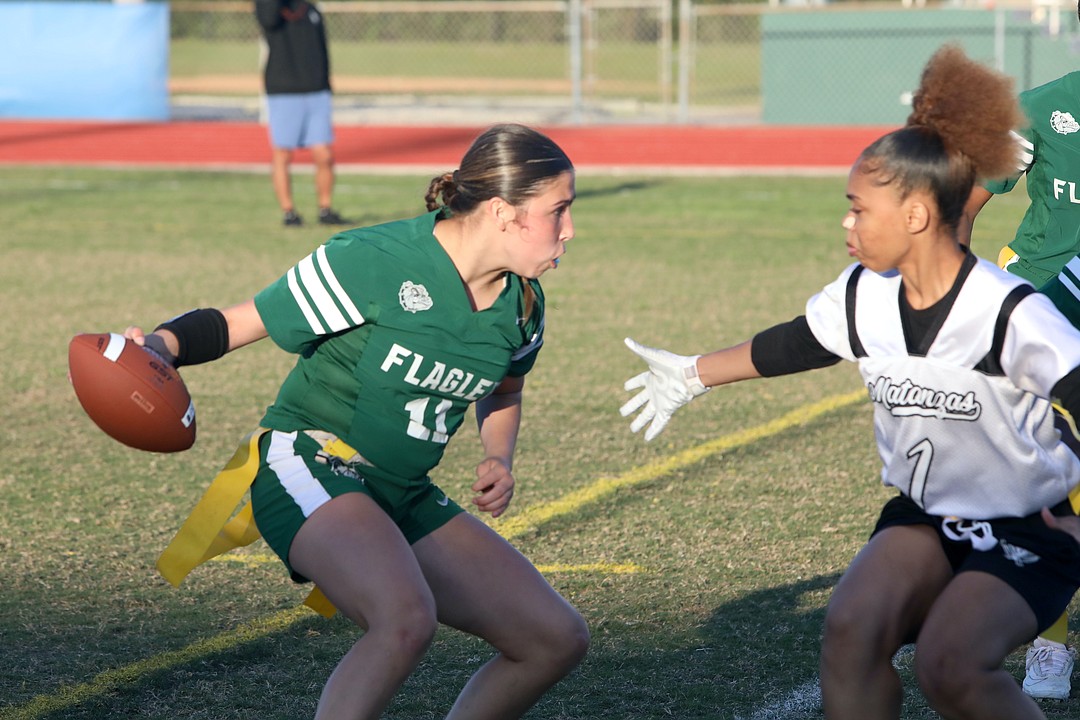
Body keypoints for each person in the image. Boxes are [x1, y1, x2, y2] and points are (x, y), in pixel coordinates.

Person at [620, 46, 1080, 719]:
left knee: (950, 668)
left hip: (1028, 530)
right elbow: (799, 344)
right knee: (849, 632)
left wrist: (1071, 525)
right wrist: (692, 375)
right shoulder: (865, 293)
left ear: (917, 217)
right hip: (929, 516)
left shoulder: (1012, 314)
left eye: (860, 209)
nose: (846, 222)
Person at [127, 123, 588, 719]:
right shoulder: (375, 260)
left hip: (402, 492)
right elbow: (243, 321)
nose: (570, 229)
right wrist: (161, 347)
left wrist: (498, 455)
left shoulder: (522, 302)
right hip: (309, 460)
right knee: (404, 619)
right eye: (559, 210)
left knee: (554, 639)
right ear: (503, 211)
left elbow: (505, 389)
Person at [959, 4, 1080, 696]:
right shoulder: (1045, 108)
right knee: (1053, 467)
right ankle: (1050, 642)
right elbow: (970, 198)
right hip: (1045, 311)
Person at [255, 0, 349, 227]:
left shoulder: (311, 9)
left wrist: (326, 83)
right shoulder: (269, 6)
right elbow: (268, 20)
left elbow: (322, 48)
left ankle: (325, 209)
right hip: (284, 91)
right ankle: (289, 212)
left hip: (316, 91)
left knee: (324, 154)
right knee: (283, 154)